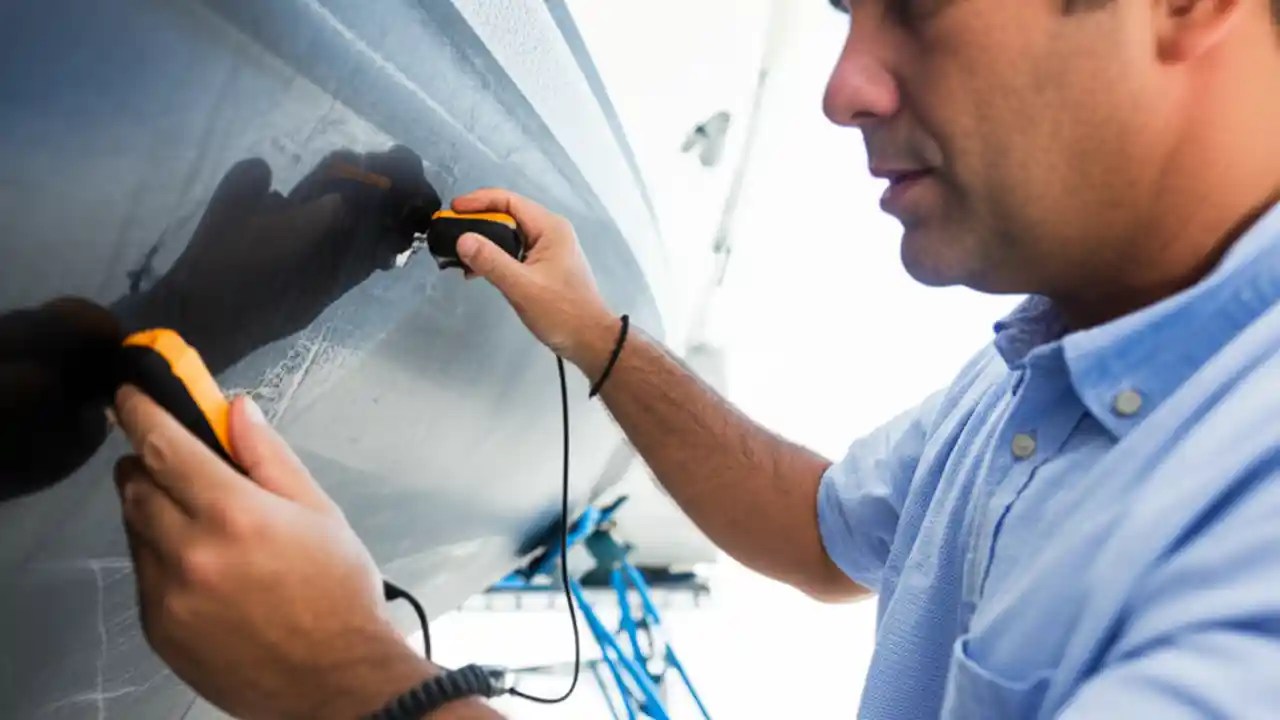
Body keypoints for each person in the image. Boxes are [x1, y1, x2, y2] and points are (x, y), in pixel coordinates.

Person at [111, 0, 1280, 717]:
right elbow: (819, 531)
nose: (841, 89)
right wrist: (594, 332)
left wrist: (350, 680)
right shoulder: (1049, 354)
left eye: (915, 5)